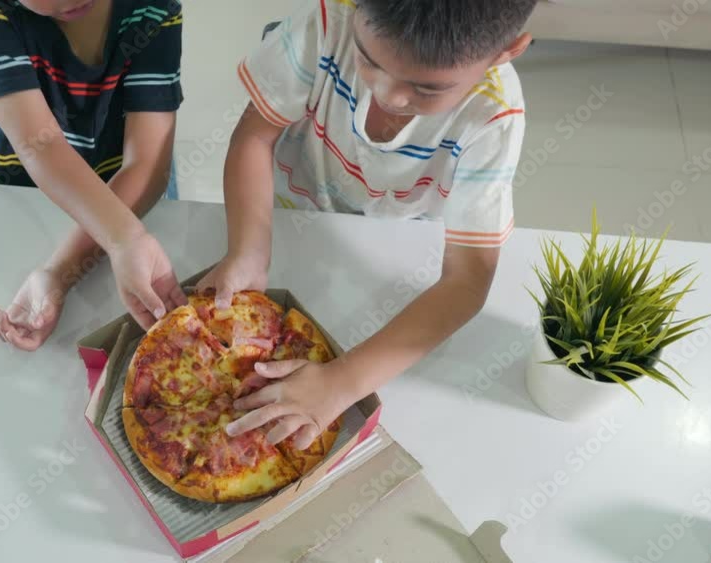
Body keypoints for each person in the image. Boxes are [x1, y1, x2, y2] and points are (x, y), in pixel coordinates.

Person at [200, 0, 536, 448]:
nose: (390, 95)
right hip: (289, 214)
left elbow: (467, 280)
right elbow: (255, 135)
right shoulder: (325, 23)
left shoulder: (493, 115)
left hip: (402, 237)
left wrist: (340, 384)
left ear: (505, 52)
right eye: (368, 60)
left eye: (426, 88)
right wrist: (248, 252)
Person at [0, 0, 187, 350]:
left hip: (121, 198)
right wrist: (119, 241)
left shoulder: (153, 8)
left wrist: (64, 270)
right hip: (6, 194)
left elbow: (147, 165)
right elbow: (40, 145)